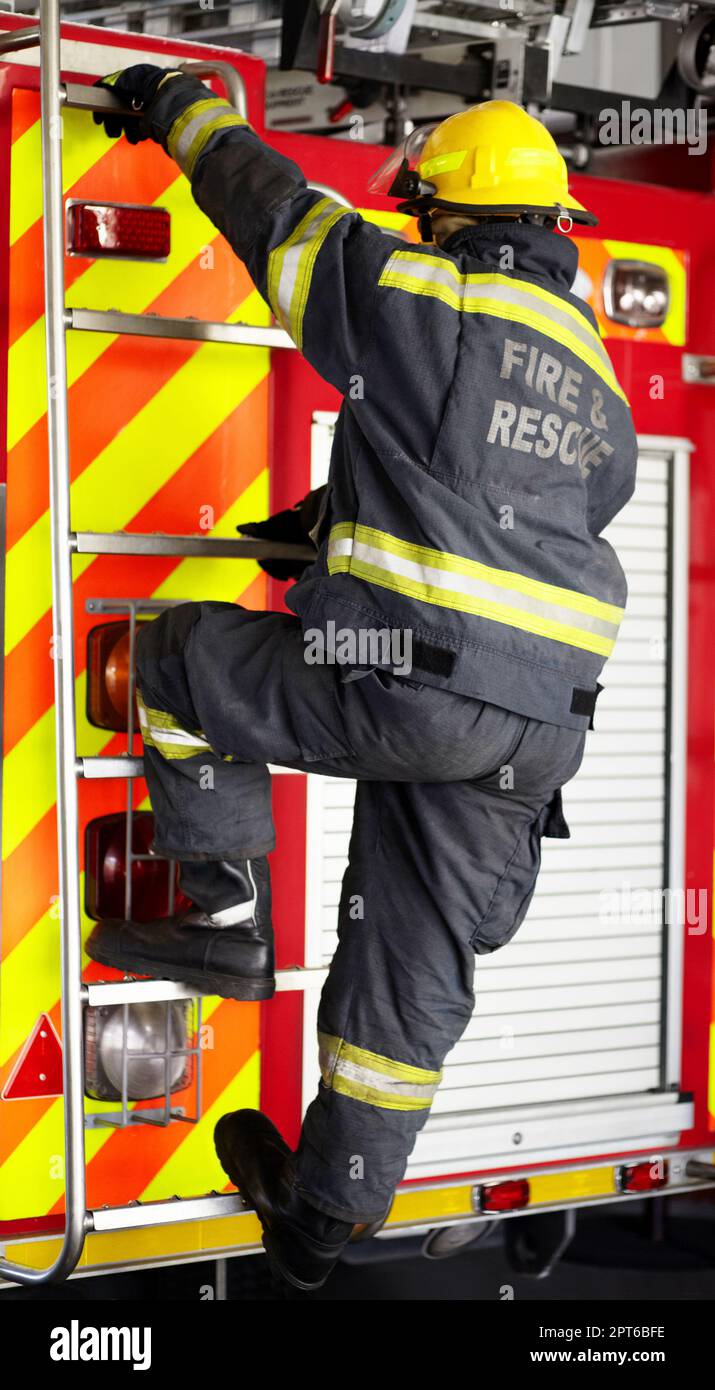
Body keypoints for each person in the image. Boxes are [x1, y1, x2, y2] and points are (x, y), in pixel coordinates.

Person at [87, 72, 637, 1291]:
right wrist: (329, 527)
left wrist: (178, 105)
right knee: (416, 960)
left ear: (443, 214)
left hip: (391, 670)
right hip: (535, 734)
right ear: (554, 229)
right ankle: (324, 1210)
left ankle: (222, 919)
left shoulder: (419, 293)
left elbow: (275, 214)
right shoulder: (596, 382)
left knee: (174, 662)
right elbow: (503, 510)